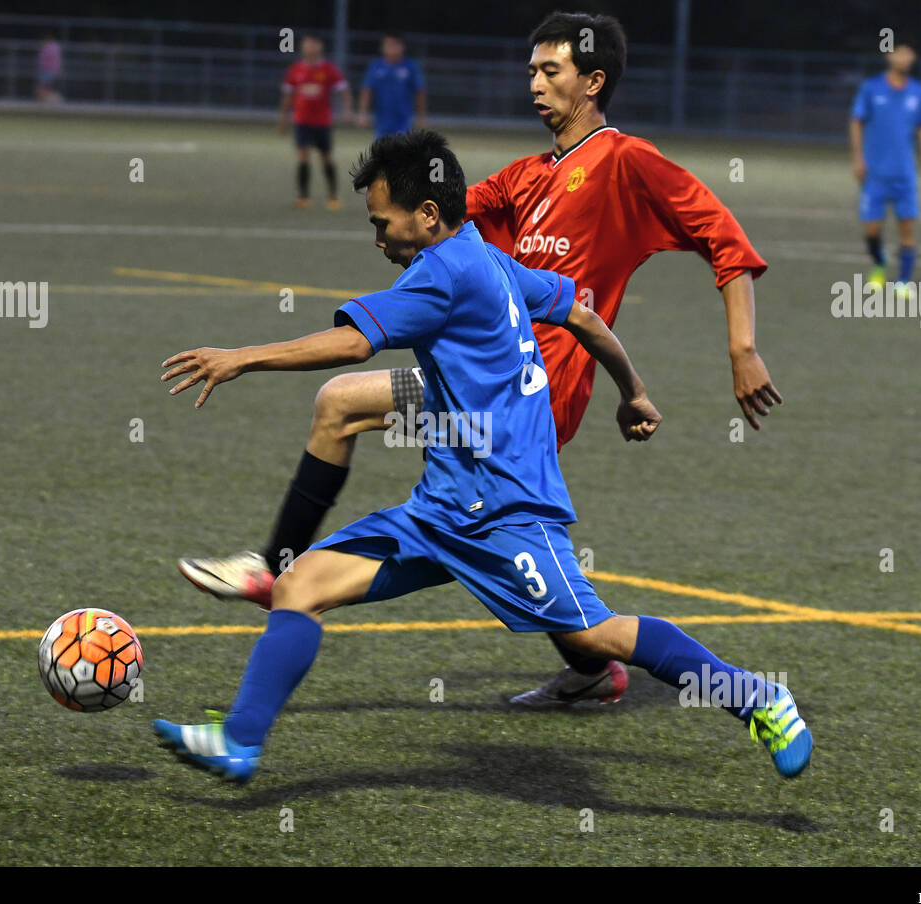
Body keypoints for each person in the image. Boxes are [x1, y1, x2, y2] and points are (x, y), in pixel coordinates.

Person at [154, 130, 812, 784]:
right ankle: (239, 742)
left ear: (428, 215)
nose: (377, 238)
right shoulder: (488, 259)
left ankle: (760, 699)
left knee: (597, 637)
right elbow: (581, 315)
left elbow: (355, 346)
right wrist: (632, 392)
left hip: (506, 510)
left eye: (382, 223)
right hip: (439, 508)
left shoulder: (441, 275)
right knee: (297, 587)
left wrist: (240, 357)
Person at [181, 12, 781, 710]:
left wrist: (741, 348)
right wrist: (396, 197)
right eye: (531, 69)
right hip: (491, 379)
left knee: (344, 405)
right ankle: (591, 665)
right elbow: (447, 212)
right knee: (488, 534)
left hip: (535, 388)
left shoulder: (627, 162)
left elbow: (723, 237)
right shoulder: (530, 176)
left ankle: (275, 570)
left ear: (593, 81)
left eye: (549, 70)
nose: (534, 82)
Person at [850, 41, 921, 295]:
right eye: (900, 52)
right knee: (872, 229)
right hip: (875, 174)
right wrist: (858, 158)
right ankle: (880, 262)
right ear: (889, 55)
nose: (906, 57)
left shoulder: (919, 93)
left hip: (904, 174)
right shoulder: (871, 88)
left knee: (907, 227)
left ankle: (903, 280)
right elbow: (856, 121)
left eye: (910, 52)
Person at [280, 34, 352, 210]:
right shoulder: (295, 70)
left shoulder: (328, 69)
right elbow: (288, 96)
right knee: (303, 157)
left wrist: (347, 110)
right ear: (302, 48)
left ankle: (333, 196)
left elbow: (343, 90)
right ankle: (303, 197)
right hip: (301, 121)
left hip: (322, 122)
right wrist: (283, 118)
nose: (311, 48)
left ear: (320, 47)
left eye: (314, 44)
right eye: (307, 44)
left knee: (326, 158)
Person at [357, 33, 427, 136]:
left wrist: (421, 117)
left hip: (403, 120)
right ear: (382, 48)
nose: (392, 48)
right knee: (382, 148)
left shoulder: (411, 67)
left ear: (403, 47)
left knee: (402, 148)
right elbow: (367, 90)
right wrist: (363, 114)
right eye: (388, 45)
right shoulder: (375, 66)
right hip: (381, 119)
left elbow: (419, 92)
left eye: (395, 45)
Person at [35, 33, 62, 103]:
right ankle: (49, 100)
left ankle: (54, 100)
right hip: (49, 70)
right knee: (45, 88)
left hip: (48, 70)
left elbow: (46, 59)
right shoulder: (55, 47)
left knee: (43, 87)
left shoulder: (50, 48)